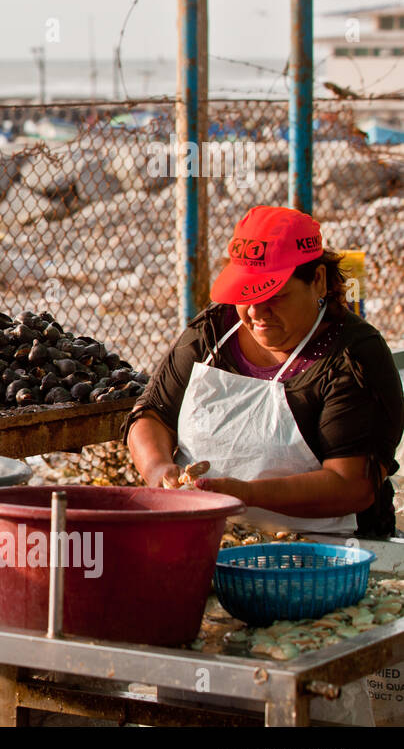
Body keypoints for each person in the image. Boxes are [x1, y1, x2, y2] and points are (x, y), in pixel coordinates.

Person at [126, 205, 403, 537]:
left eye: (274, 295)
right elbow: (152, 414)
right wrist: (159, 471)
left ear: (318, 281)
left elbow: (351, 484)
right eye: (246, 295)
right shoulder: (215, 330)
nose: (257, 312)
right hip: (204, 535)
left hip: (323, 552)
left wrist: (244, 495)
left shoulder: (352, 356)